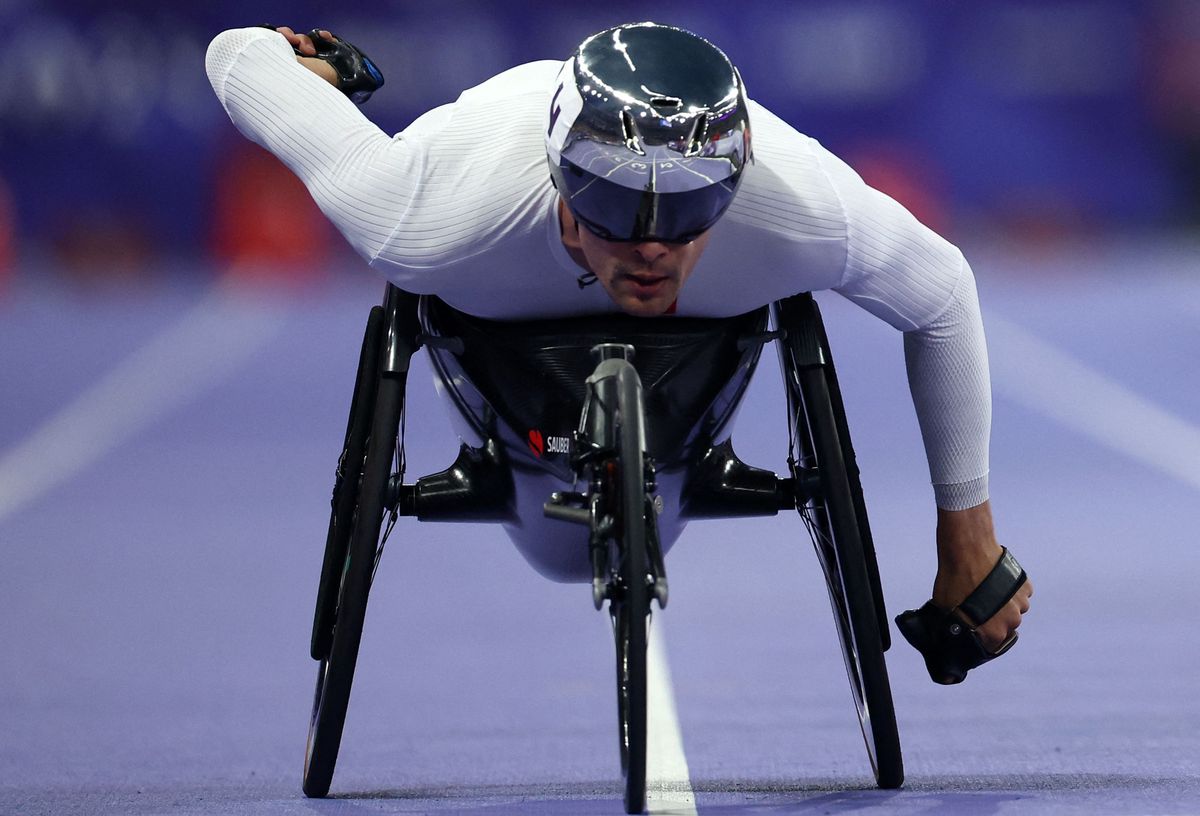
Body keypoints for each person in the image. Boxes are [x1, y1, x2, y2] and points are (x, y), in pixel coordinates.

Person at [205, 21, 1032, 682]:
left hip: (697, 379)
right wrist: (296, 57)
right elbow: (233, 55)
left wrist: (968, 536)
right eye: (614, 211)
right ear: (563, 178)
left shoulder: (799, 204)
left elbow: (944, 295)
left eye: (684, 216)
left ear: (733, 184)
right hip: (498, 361)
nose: (650, 252)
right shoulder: (427, 214)